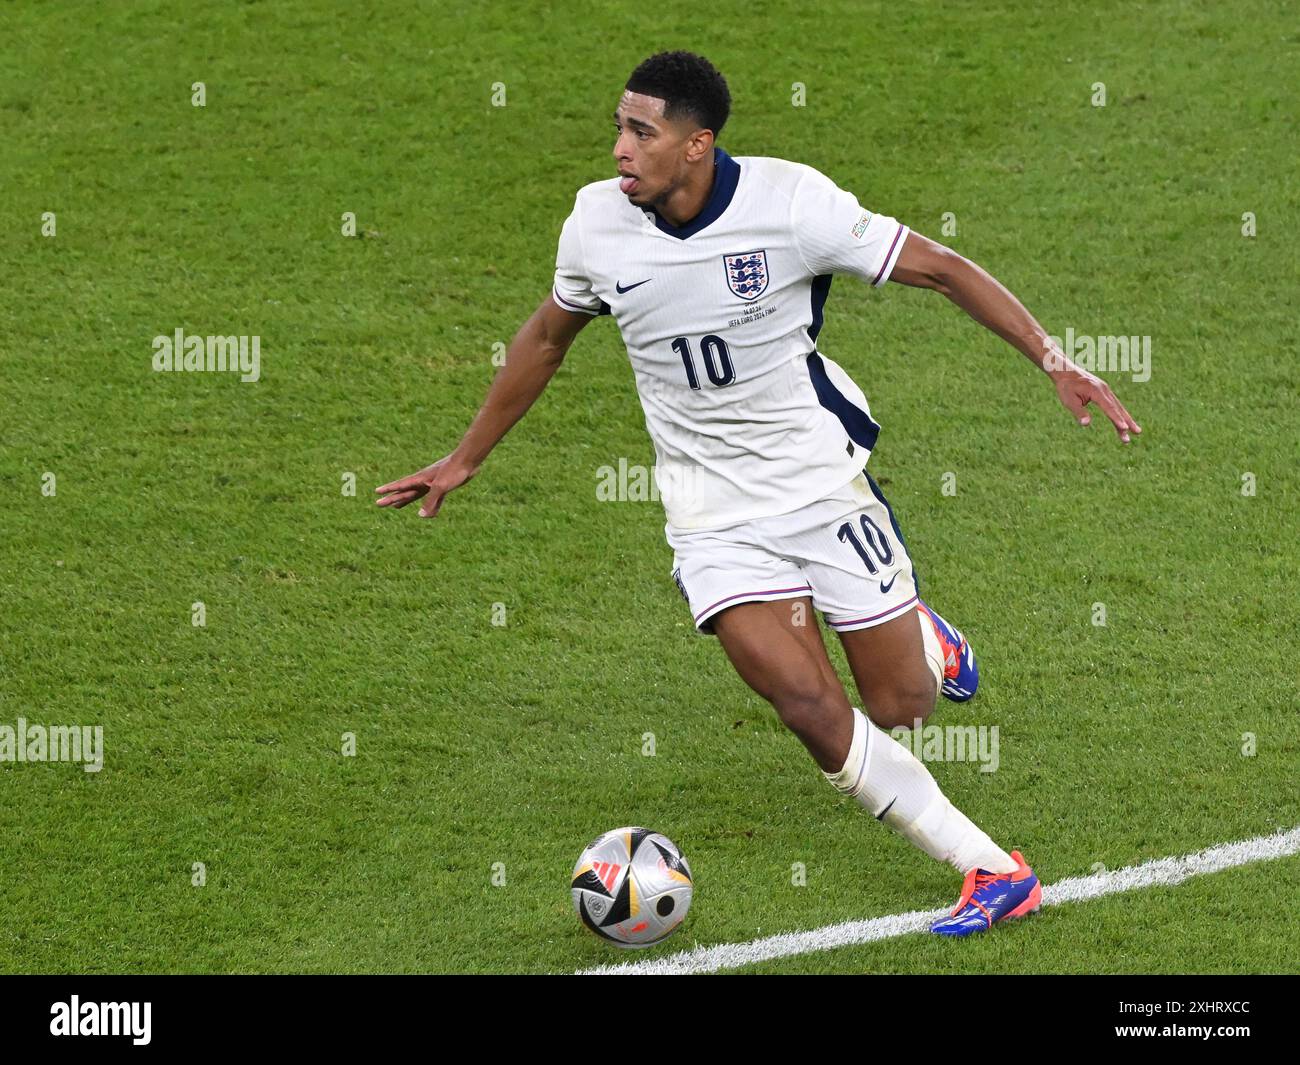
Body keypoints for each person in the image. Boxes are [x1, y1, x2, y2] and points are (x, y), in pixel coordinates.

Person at [376, 51, 1141, 936]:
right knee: (809, 706)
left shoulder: (792, 205)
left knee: (901, 706)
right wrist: (467, 455)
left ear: (697, 144)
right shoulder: (594, 224)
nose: (619, 148)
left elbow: (939, 268)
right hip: (711, 515)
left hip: (820, 484)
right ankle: (992, 867)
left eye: (641, 131)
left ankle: (925, 639)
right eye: (619, 127)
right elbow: (548, 336)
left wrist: (1054, 357)